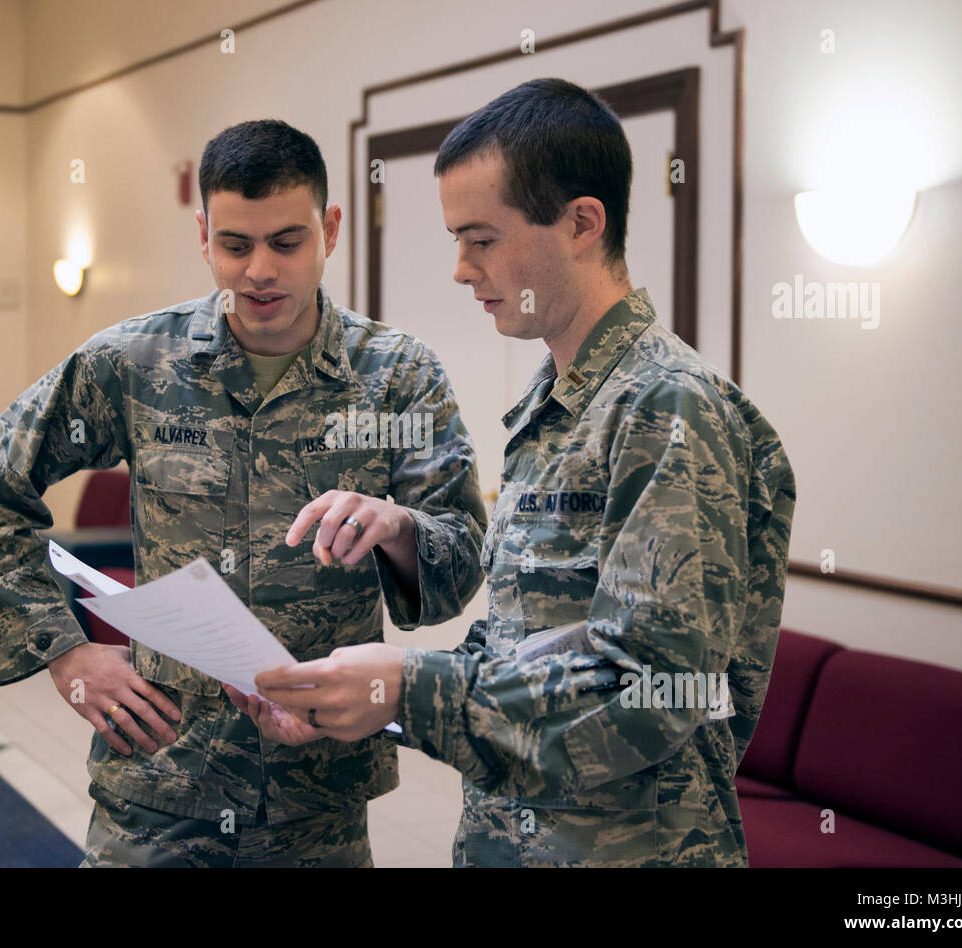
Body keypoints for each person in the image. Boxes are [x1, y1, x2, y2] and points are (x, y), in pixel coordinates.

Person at [242, 79, 797, 867]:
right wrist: (360, 699)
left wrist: (408, 685)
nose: (462, 269)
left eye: (482, 238)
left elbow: (651, 687)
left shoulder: (667, 405)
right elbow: (524, 644)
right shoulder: (557, 405)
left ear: (581, 223)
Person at [0, 119, 487, 867]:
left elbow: (461, 560)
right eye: (236, 244)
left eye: (287, 241)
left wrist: (397, 525)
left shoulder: (396, 377)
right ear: (203, 235)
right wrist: (65, 652)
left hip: (317, 796)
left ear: (331, 229)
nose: (260, 269)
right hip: (161, 781)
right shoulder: (134, 364)